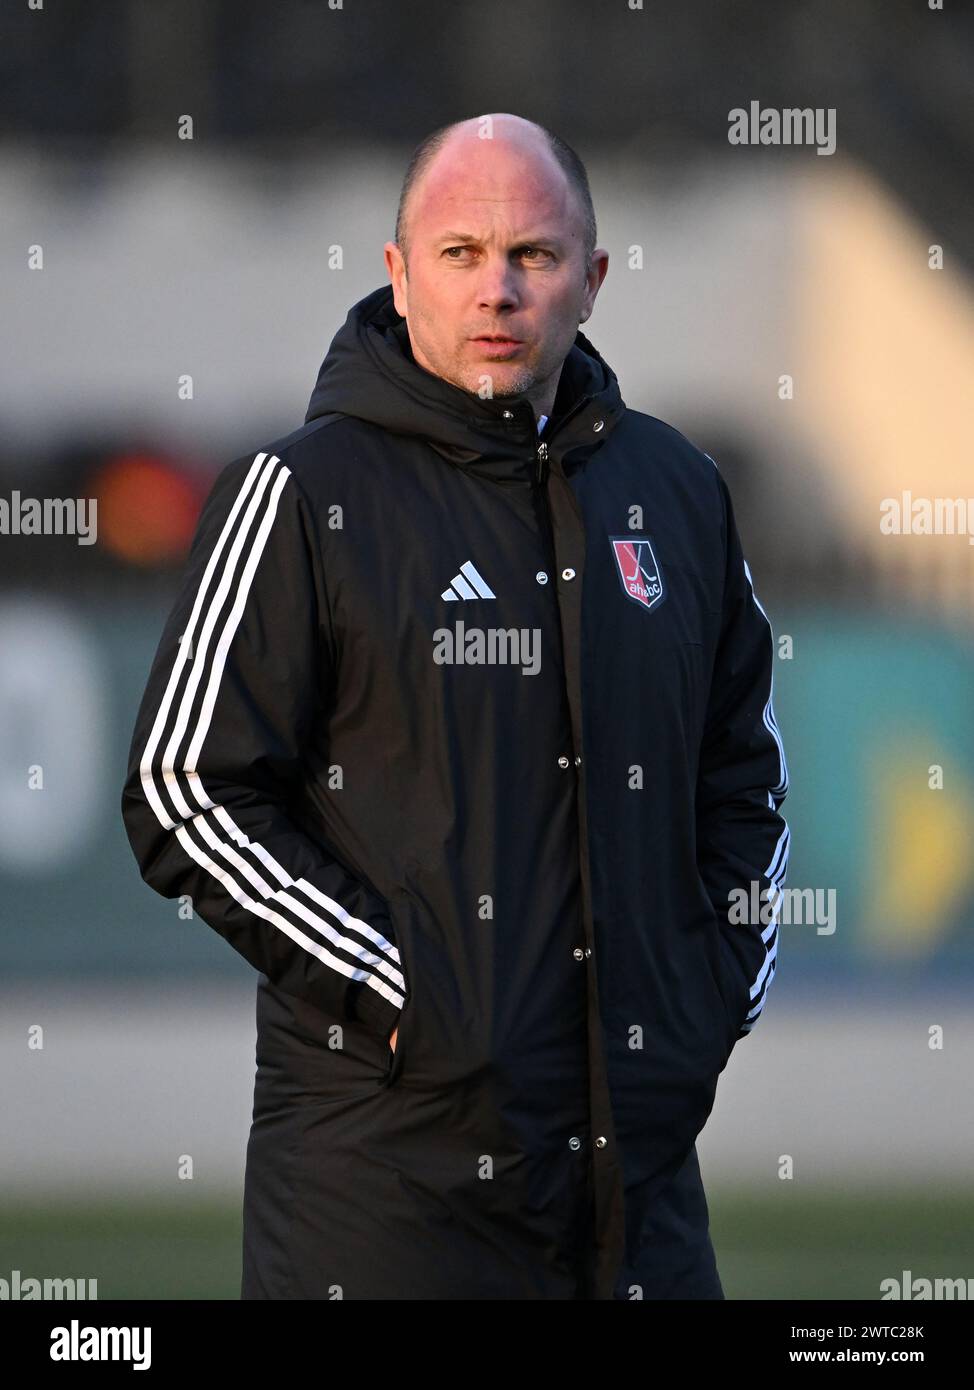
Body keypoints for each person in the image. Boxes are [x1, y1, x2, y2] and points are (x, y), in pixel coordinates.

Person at [120, 111, 790, 1300]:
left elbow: (742, 780)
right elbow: (182, 787)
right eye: (459, 253)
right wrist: (399, 994)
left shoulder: (677, 492)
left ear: (590, 278)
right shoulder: (299, 492)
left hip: (634, 1201)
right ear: (397, 273)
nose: (497, 289)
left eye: (532, 256)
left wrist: (710, 988)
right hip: (380, 1201)